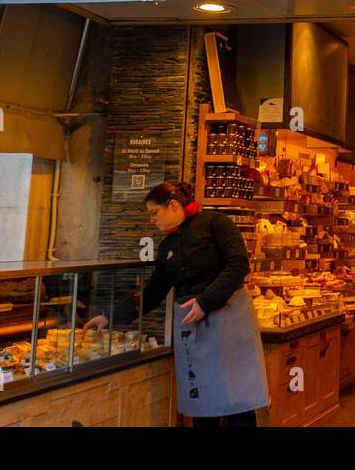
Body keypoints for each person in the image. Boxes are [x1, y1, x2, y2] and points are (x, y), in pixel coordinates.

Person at [86, 180, 268, 427]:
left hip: (229, 321)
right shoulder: (167, 246)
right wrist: (109, 316)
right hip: (192, 328)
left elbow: (238, 264)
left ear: (172, 205)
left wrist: (205, 302)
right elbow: (153, 293)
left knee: (238, 399)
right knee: (203, 400)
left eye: (154, 213)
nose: (152, 220)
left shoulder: (216, 223)